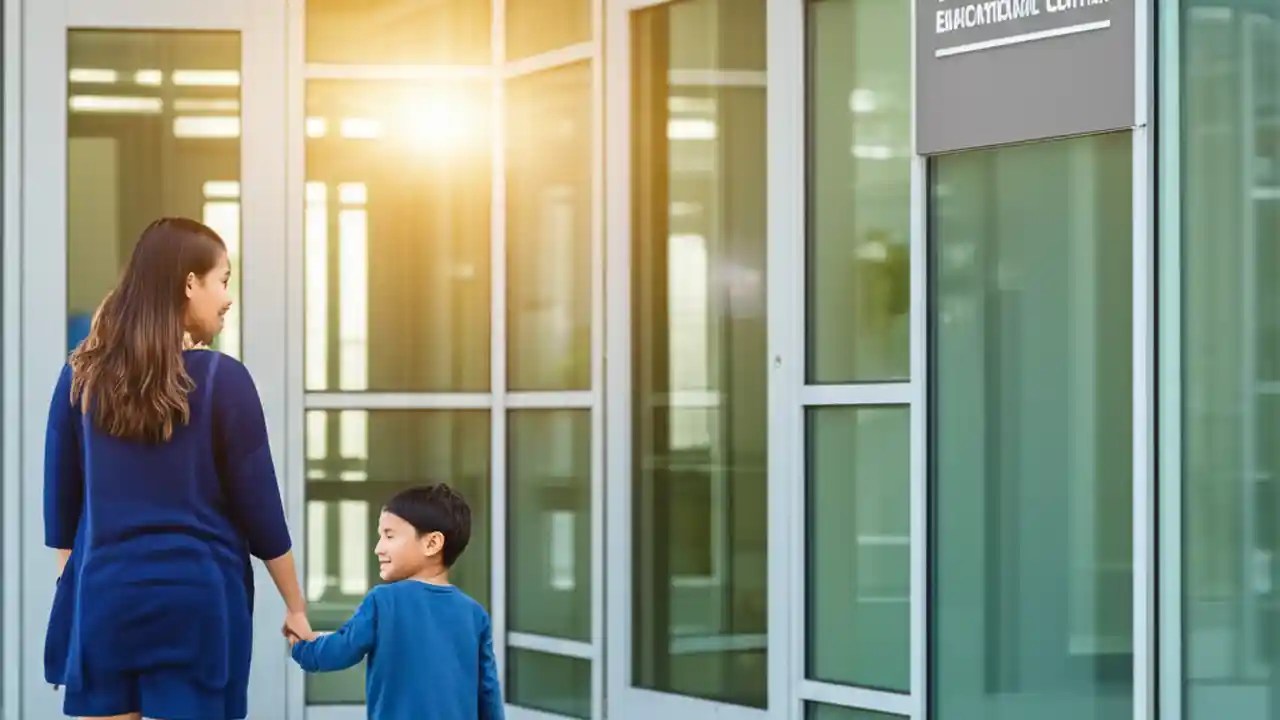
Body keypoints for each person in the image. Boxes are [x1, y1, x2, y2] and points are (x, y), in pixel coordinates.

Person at [43, 217, 311, 720]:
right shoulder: (222, 381)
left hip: (107, 602)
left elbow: (60, 511)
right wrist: (294, 606)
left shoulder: (80, 378)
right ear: (190, 283)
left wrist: (86, 592)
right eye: (223, 280)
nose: (228, 297)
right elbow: (263, 514)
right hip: (199, 604)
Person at [289, 485, 504, 720]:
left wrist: (301, 645)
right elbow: (489, 694)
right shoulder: (474, 614)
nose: (378, 548)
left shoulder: (384, 601)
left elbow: (339, 651)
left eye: (389, 536)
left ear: (432, 544)